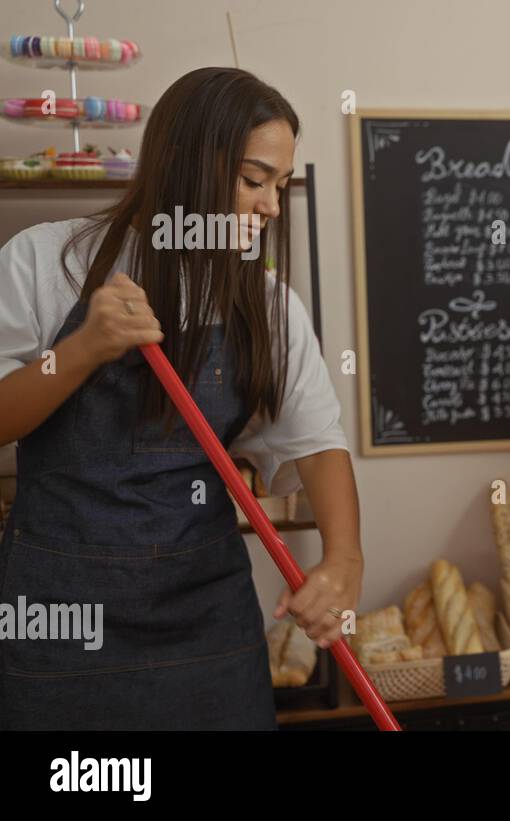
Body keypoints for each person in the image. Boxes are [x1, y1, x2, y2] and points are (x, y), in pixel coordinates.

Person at [0, 67, 363, 730]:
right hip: (62, 623)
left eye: (280, 186)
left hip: (206, 625)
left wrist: (343, 560)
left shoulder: (267, 304)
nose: (273, 208)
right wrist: (80, 350)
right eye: (255, 181)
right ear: (182, 163)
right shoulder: (45, 262)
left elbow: (316, 440)